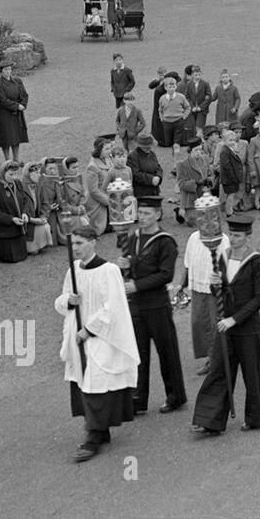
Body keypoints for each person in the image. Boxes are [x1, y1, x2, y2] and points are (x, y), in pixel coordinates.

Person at [55, 222, 140, 462]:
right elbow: (61, 300)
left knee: (96, 382)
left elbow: (112, 307)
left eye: (80, 243)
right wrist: (68, 301)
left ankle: (92, 436)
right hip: (77, 335)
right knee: (83, 381)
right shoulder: (73, 269)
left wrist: (89, 330)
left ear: (94, 242)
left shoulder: (109, 270)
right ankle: (99, 430)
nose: (76, 248)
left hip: (100, 335)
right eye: (73, 244)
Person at [191, 212, 260, 436]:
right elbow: (221, 293)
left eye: (237, 235)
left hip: (246, 328)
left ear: (247, 236)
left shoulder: (257, 261)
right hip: (225, 327)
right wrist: (216, 285)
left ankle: (255, 418)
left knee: (252, 373)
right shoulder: (223, 256)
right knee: (218, 370)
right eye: (231, 234)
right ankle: (210, 419)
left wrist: (234, 319)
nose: (233, 239)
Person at [119, 196, 186, 415]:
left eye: (147, 214)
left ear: (158, 214)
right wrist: (124, 267)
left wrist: (137, 286)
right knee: (138, 353)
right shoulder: (134, 237)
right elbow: (130, 264)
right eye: (140, 213)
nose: (142, 217)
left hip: (157, 304)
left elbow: (166, 275)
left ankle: (175, 396)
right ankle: (138, 399)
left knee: (167, 352)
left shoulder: (165, 241)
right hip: (136, 306)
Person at [180, 216, 230, 377]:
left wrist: (222, 283)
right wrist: (181, 285)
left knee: (214, 323)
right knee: (198, 323)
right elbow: (187, 263)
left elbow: (227, 265)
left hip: (214, 288)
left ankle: (216, 360)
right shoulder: (194, 238)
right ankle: (210, 356)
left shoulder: (223, 240)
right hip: (197, 287)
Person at [0, 161, 30, 264]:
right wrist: (11, 219)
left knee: (22, 255)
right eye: (11, 174)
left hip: (19, 229)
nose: (14, 177)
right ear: (3, 173)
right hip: (5, 231)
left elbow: (25, 200)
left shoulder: (18, 183)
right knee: (8, 258)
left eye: (15, 174)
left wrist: (25, 213)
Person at [0, 62, 28, 165]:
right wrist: (17, 106)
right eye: (5, 70)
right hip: (5, 114)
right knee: (7, 137)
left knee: (16, 136)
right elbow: (3, 100)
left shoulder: (17, 81)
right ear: (1, 71)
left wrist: (23, 105)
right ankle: (8, 160)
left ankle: (16, 159)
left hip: (17, 113)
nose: (8, 72)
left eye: (9, 69)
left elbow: (24, 94)